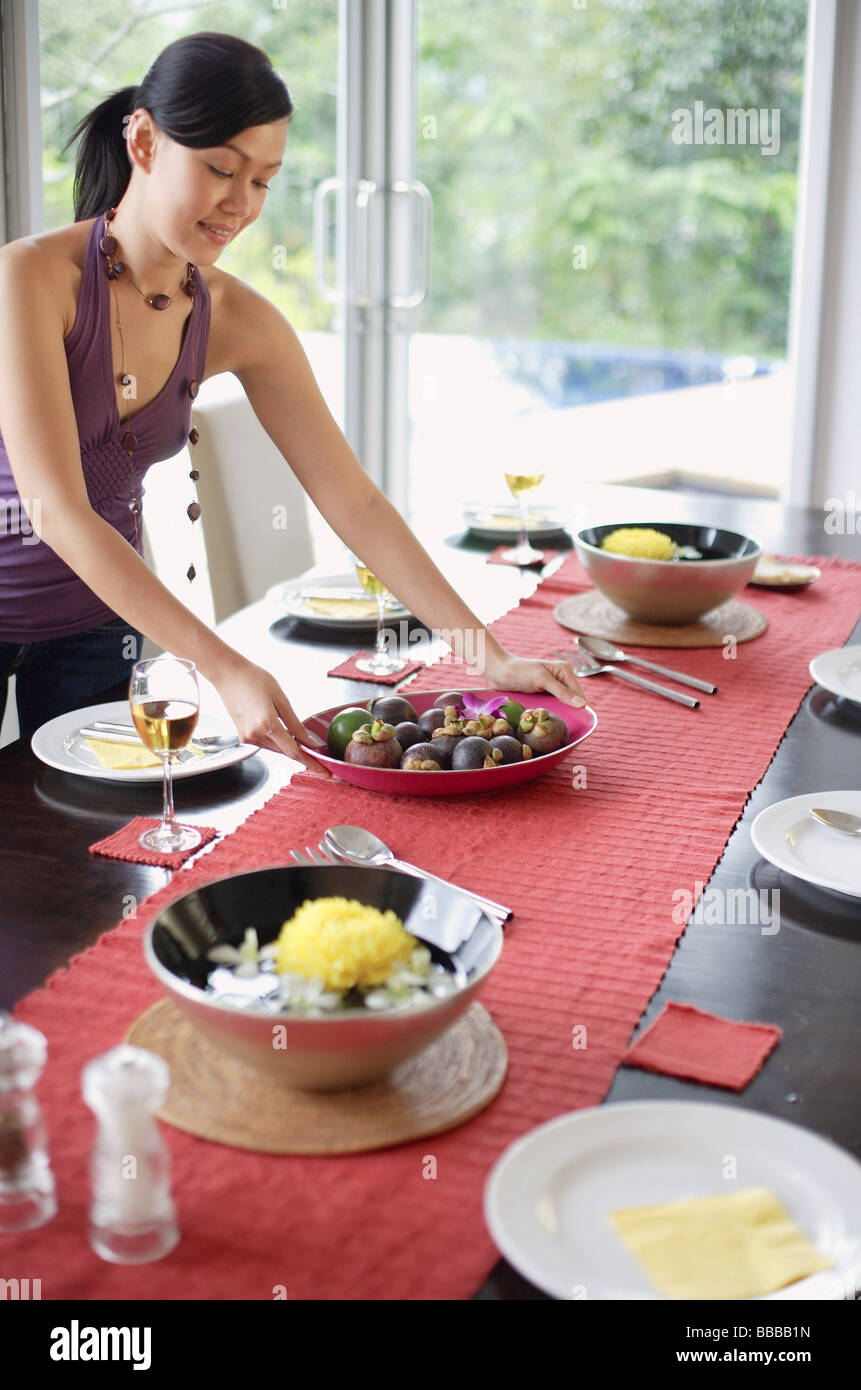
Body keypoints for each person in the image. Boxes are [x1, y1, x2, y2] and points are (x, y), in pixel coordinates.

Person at [0, 31, 585, 764]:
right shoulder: (29, 279)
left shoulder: (238, 319)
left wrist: (487, 656)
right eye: (221, 169)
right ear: (144, 142)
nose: (240, 205)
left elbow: (355, 502)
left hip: (93, 625)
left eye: (263, 180)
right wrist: (225, 666)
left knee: (70, 858)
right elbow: (56, 511)